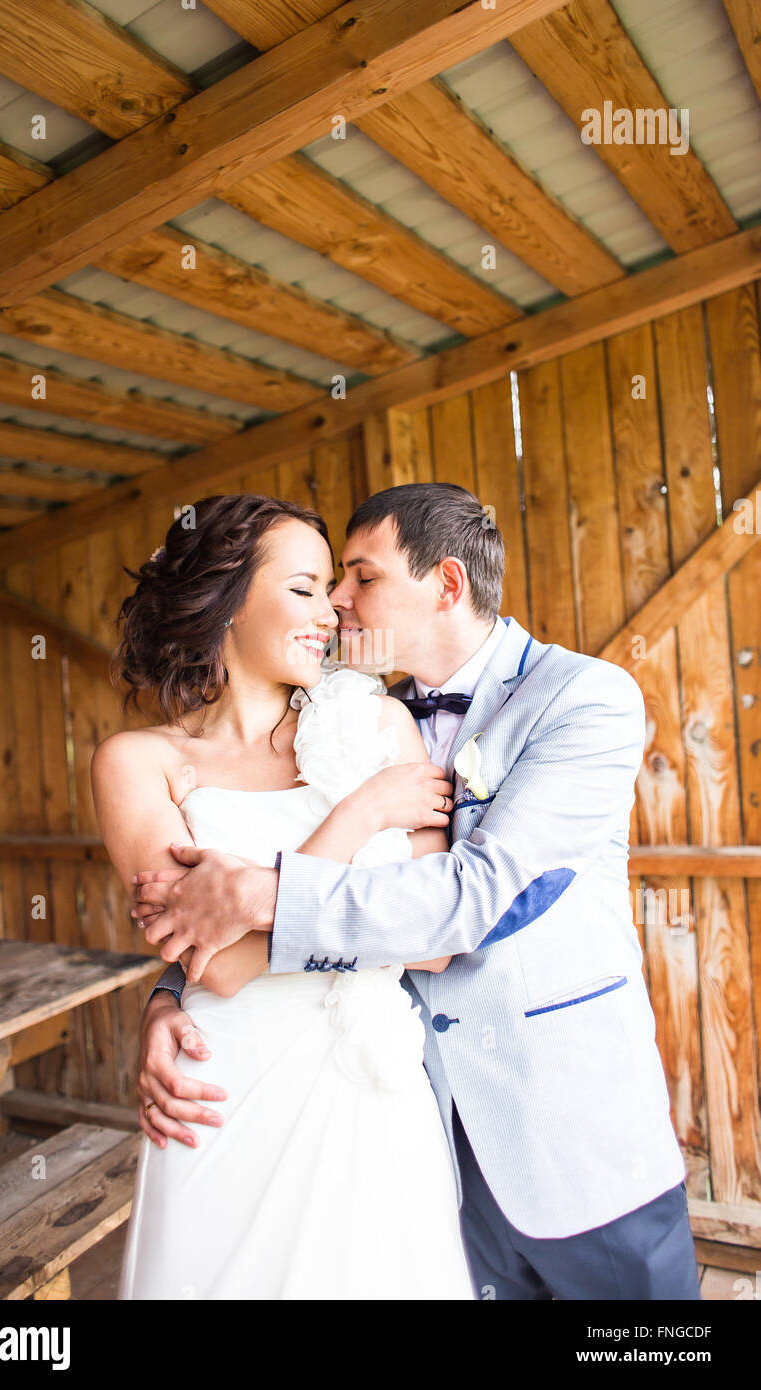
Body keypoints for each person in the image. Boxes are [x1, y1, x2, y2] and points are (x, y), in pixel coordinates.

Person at [136, 482, 701, 1302]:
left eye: (361, 577)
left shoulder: (584, 698)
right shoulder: (363, 719)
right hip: (421, 1128)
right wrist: (171, 994)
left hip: (573, 1133)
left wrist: (262, 894)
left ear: (445, 584)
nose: (337, 600)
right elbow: (227, 881)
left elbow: (473, 899)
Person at [91, 491, 474, 1299]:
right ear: (228, 600)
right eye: (304, 588)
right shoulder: (139, 763)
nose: (330, 614)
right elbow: (219, 971)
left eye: (331, 588)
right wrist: (359, 814)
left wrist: (253, 909)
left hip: (367, 1089)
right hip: (222, 1088)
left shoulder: (381, 729)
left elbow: (433, 938)